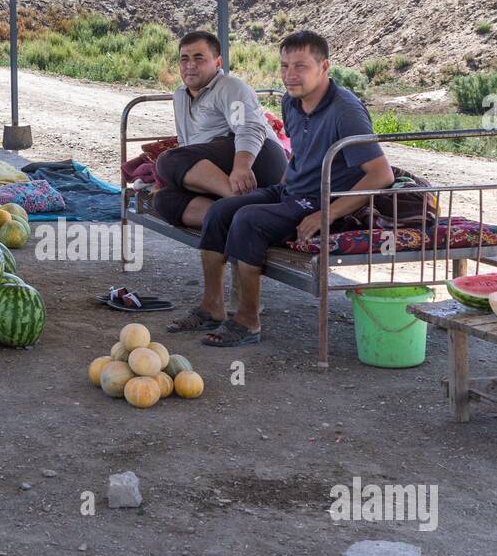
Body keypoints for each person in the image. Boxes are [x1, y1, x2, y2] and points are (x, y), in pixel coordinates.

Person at [168, 29, 395, 347]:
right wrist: (280, 187)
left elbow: (381, 175)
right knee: (220, 211)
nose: (290, 75)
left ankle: (247, 321)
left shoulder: (346, 110)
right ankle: (211, 306)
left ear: (324, 67)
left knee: (248, 220)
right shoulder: (291, 101)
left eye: (300, 66)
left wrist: (325, 214)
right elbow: (301, 154)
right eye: (285, 66)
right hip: (291, 191)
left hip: (320, 200)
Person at [152, 31, 286, 229]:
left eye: (199, 58)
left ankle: (244, 203)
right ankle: (241, 218)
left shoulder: (229, 87)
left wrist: (241, 167)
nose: (190, 65)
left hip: (258, 159)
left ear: (218, 62)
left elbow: (248, 127)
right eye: (184, 59)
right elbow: (186, 143)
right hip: (220, 175)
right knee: (164, 200)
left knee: (168, 160)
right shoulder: (179, 95)